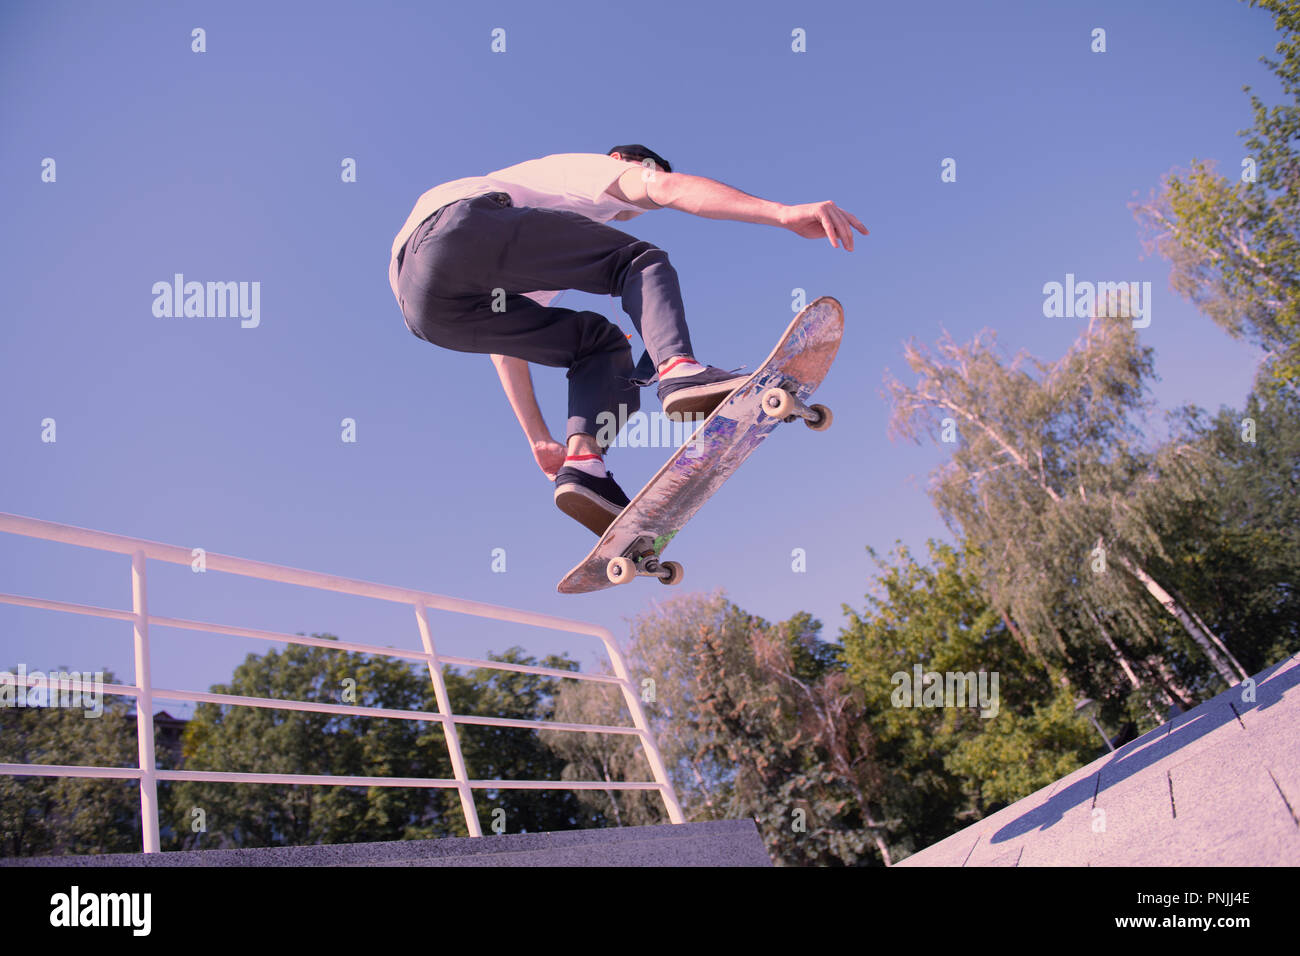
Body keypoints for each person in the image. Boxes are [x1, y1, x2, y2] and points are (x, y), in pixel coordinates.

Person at [388, 145, 867, 535]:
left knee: (600, 344)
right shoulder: (592, 170)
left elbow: (505, 345)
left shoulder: (530, 243)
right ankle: (678, 371)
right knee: (638, 261)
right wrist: (781, 213)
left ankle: (582, 464)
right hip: (461, 225)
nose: (626, 213)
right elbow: (667, 187)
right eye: (629, 207)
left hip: (427, 310)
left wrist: (539, 437)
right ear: (629, 162)